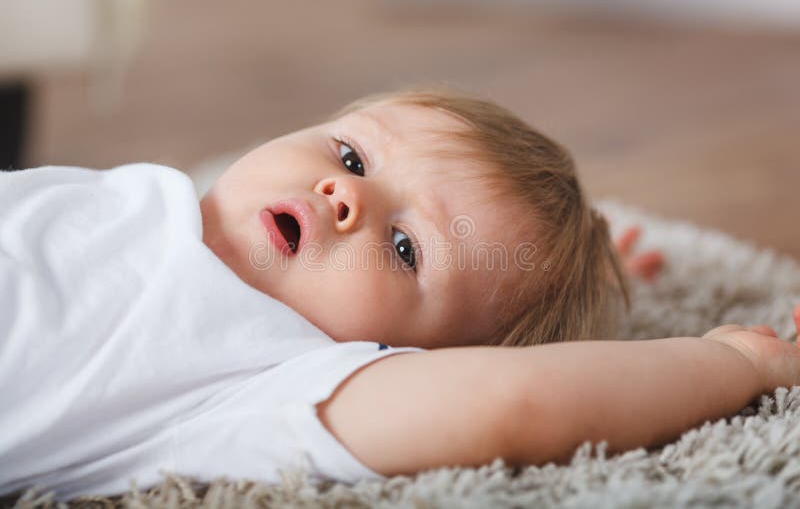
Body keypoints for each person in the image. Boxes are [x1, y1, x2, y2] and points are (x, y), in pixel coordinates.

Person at [1, 87, 797, 502]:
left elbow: (512, 402)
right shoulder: (159, 199)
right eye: (351, 153)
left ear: (407, 359)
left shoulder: (266, 374)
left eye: (407, 248)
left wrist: (731, 363)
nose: (344, 197)